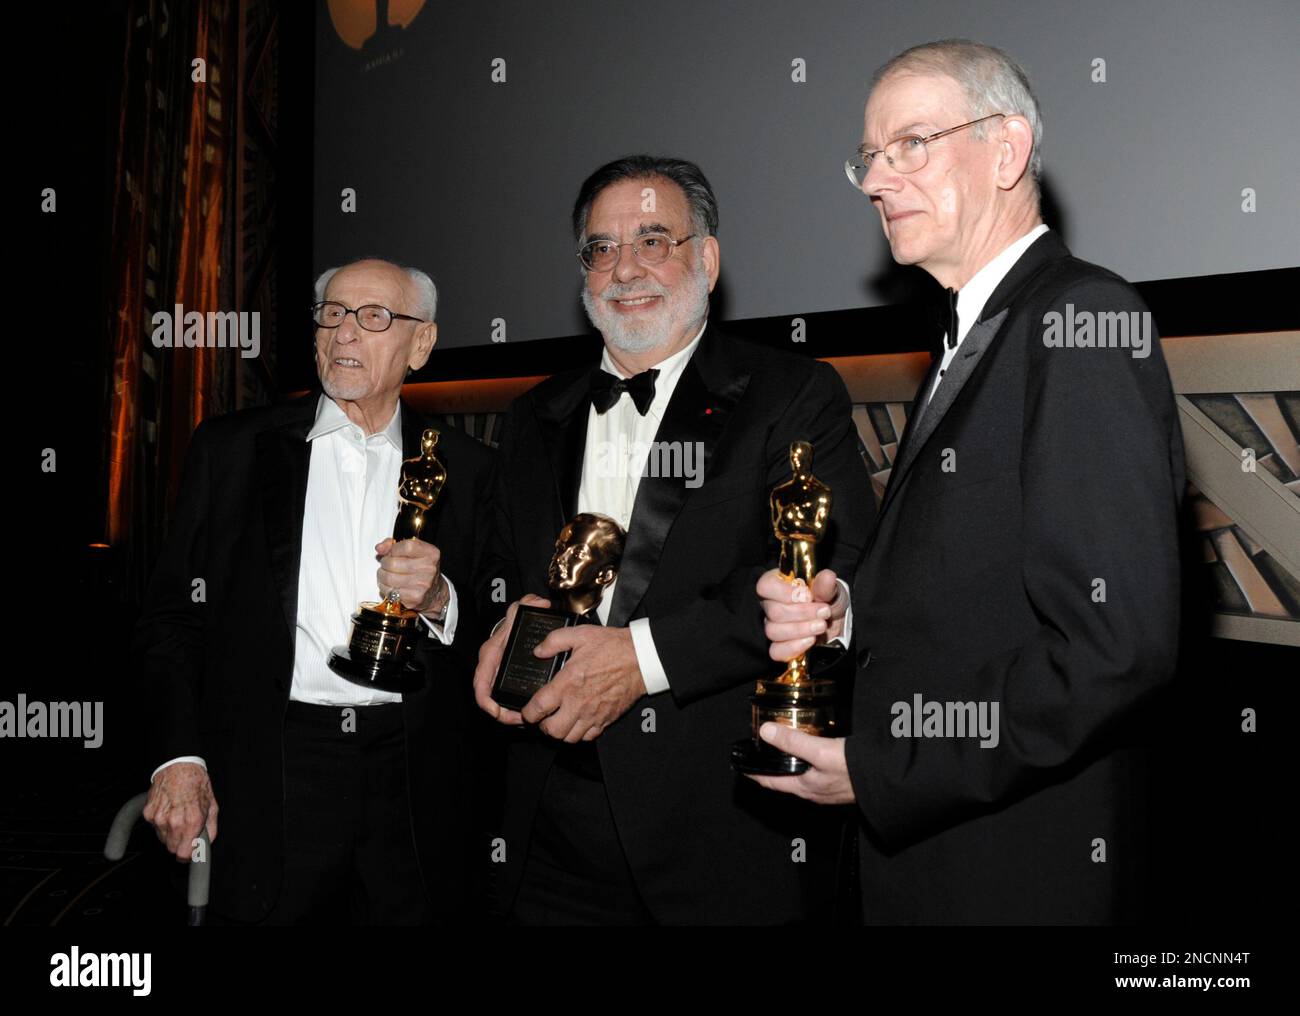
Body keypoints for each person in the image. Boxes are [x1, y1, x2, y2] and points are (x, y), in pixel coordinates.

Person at [751, 40, 1185, 924]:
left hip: (1016, 873)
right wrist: (848, 611)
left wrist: (883, 767)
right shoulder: (975, 330)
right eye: (868, 157)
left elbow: (1115, 649)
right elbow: (976, 585)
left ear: (1007, 150)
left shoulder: (1082, 318)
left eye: (910, 143)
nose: (876, 181)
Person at [473, 155, 873, 924]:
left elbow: (827, 568)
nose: (625, 268)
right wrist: (500, 627)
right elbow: (499, 565)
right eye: (602, 248)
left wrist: (640, 661)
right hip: (546, 826)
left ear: (708, 259)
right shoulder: (531, 415)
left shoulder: (793, 393)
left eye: (654, 240)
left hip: (717, 830)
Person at [136, 258, 494, 923]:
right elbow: (172, 621)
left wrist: (442, 601)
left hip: (415, 772)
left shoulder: (470, 471)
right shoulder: (232, 451)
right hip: (273, 762)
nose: (345, 334)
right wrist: (178, 760)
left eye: (374, 318)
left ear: (420, 344)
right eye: (332, 314)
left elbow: (502, 622)